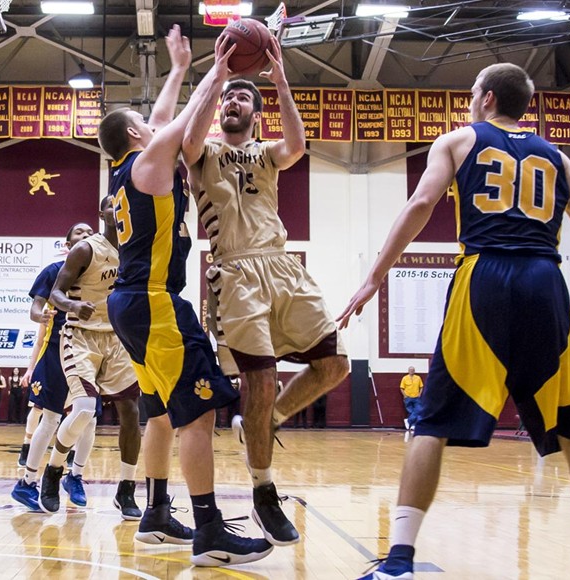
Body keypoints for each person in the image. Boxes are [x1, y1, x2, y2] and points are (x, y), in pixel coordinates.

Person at [337, 63, 570, 580]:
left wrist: (375, 276)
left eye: (473, 93)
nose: (471, 100)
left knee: (431, 423)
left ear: (487, 98)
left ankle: (399, 562)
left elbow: (422, 203)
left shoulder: (457, 140)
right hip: (545, 280)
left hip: (483, 275)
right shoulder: (557, 156)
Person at [101, 28, 272, 565]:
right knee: (198, 415)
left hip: (132, 304)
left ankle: (155, 515)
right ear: (136, 133)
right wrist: (217, 72)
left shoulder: (127, 169)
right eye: (144, 121)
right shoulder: (149, 161)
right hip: (154, 302)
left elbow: (164, 117)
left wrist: (177, 69)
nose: (154, 122)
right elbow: (182, 120)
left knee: (157, 413)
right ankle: (210, 531)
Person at [182, 40, 350, 547]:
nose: (232, 102)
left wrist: (279, 81)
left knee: (334, 365)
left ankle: (267, 420)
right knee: (260, 380)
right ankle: (263, 491)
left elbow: (296, 145)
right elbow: (189, 140)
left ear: (256, 114)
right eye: (227, 99)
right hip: (235, 271)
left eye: (241, 97)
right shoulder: (204, 153)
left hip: (282, 264)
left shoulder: (267, 153)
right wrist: (217, 75)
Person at [37, 194, 144, 518]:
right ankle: (54, 470)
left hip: (118, 337)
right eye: (112, 205)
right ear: (102, 213)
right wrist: (72, 305)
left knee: (131, 412)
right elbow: (55, 292)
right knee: (84, 409)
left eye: (122, 205)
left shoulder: (135, 249)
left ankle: (126, 488)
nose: (118, 209)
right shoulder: (86, 249)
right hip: (81, 336)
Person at [12, 222, 94, 498]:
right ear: (68, 245)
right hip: (57, 349)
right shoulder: (53, 271)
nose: (86, 235)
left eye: (90, 233)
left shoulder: (99, 275)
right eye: (79, 232)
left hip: (89, 352)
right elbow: (35, 308)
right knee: (49, 419)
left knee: (89, 418)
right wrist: (40, 315)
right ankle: (28, 481)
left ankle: (75, 476)